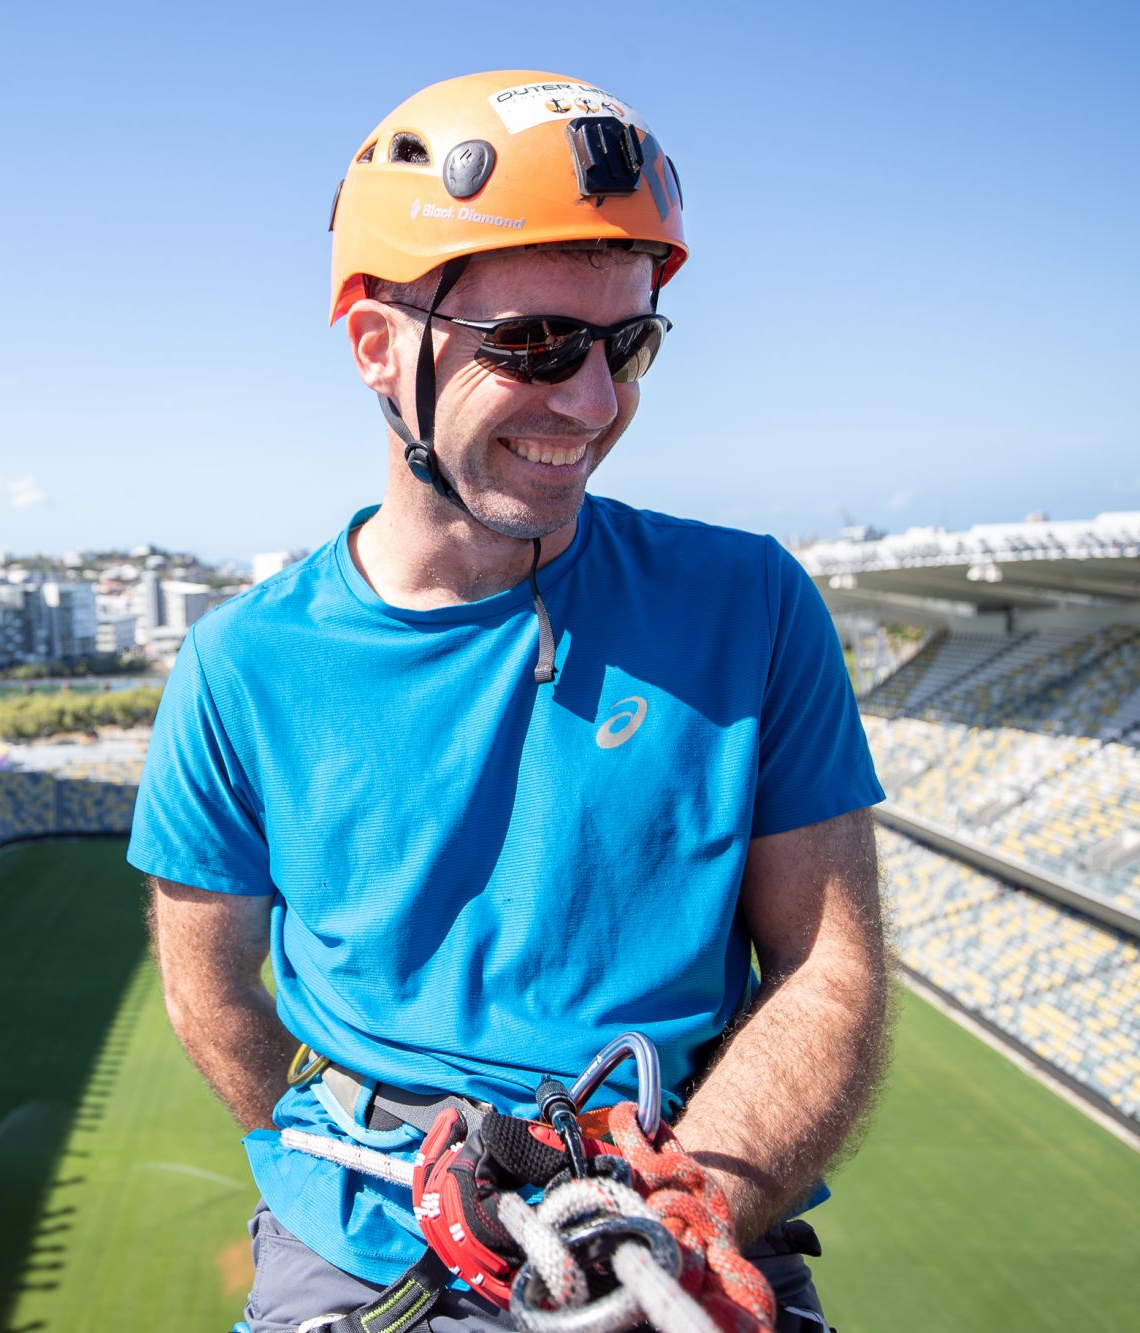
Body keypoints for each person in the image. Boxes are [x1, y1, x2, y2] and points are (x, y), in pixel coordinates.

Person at [128, 70, 887, 1333]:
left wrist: (685, 1203)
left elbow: (824, 965)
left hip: (685, 1212)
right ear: (377, 343)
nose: (591, 403)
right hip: (370, 1253)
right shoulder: (238, 667)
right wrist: (369, 1169)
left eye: (626, 344)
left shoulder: (749, 603)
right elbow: (207, 996)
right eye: (533, 343)